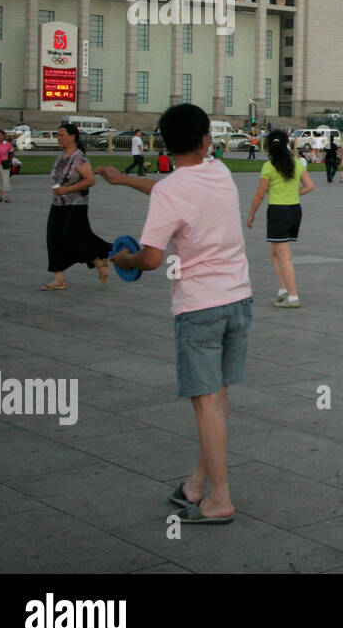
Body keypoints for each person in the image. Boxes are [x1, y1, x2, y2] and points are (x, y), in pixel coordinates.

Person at [99, 103, 252, 525]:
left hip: (199, 305)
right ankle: (196, 484)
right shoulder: (219, 172)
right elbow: (173, 190)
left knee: (206, 402)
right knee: (215, 398)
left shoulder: (172, 189)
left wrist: (123, 260)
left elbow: (150, 258)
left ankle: (219, 499)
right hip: (239, 299)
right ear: (207, 141)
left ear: (164, 146)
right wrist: (125, 179)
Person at [247, 129, 314, 308]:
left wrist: (252, 213)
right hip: (294, 210)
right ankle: (283, 290)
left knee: (283, 254)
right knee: (274, 252)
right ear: (287, 143)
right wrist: (294, 193)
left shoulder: (269, 167)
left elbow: (260, 194)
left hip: (278, 211)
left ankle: (292, 296)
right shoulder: (297, 163)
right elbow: (309, 186)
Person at [41, 123, 112, 291]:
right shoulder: (62, 156)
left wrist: (66, 189)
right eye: (57, 135)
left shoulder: (79, 157)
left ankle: (101, 259)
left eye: (61, 135)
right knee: (53, 239)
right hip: (58, 204)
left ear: (72, 136)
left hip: (75, 205)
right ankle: (58, 279)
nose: (59, 138)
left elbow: (90, 180)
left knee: (74, 239)